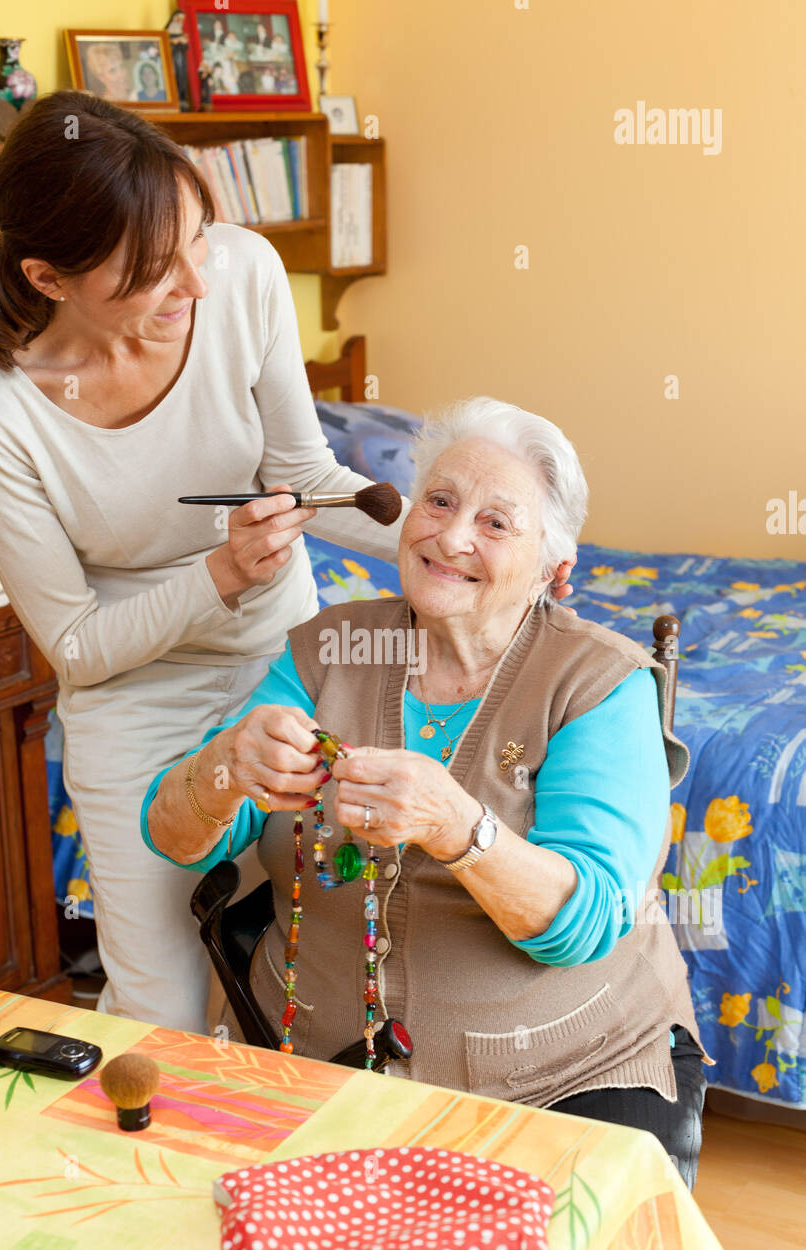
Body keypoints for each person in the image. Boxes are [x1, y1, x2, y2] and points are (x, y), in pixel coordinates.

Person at [0, 92, 569, 1034]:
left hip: (289, 667)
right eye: (156, 272)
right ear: (47, 276)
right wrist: (220, 576)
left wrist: (462, 551)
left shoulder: (241, 272)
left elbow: (308, 475)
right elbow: (73, 647)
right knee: (164, 1011)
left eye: (198, 237)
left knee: (297, 967)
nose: (198, 281)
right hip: (133, 703)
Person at [144, 396, 712, 1191]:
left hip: (566, 1077)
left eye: (495, 522)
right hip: (311, 1059)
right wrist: (224, 769)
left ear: (556, 569)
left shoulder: (596, 685)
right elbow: (172, 835)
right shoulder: (330, 651)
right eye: (438, 501)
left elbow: (581, 923)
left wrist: (460, 828)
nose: (450, 536)